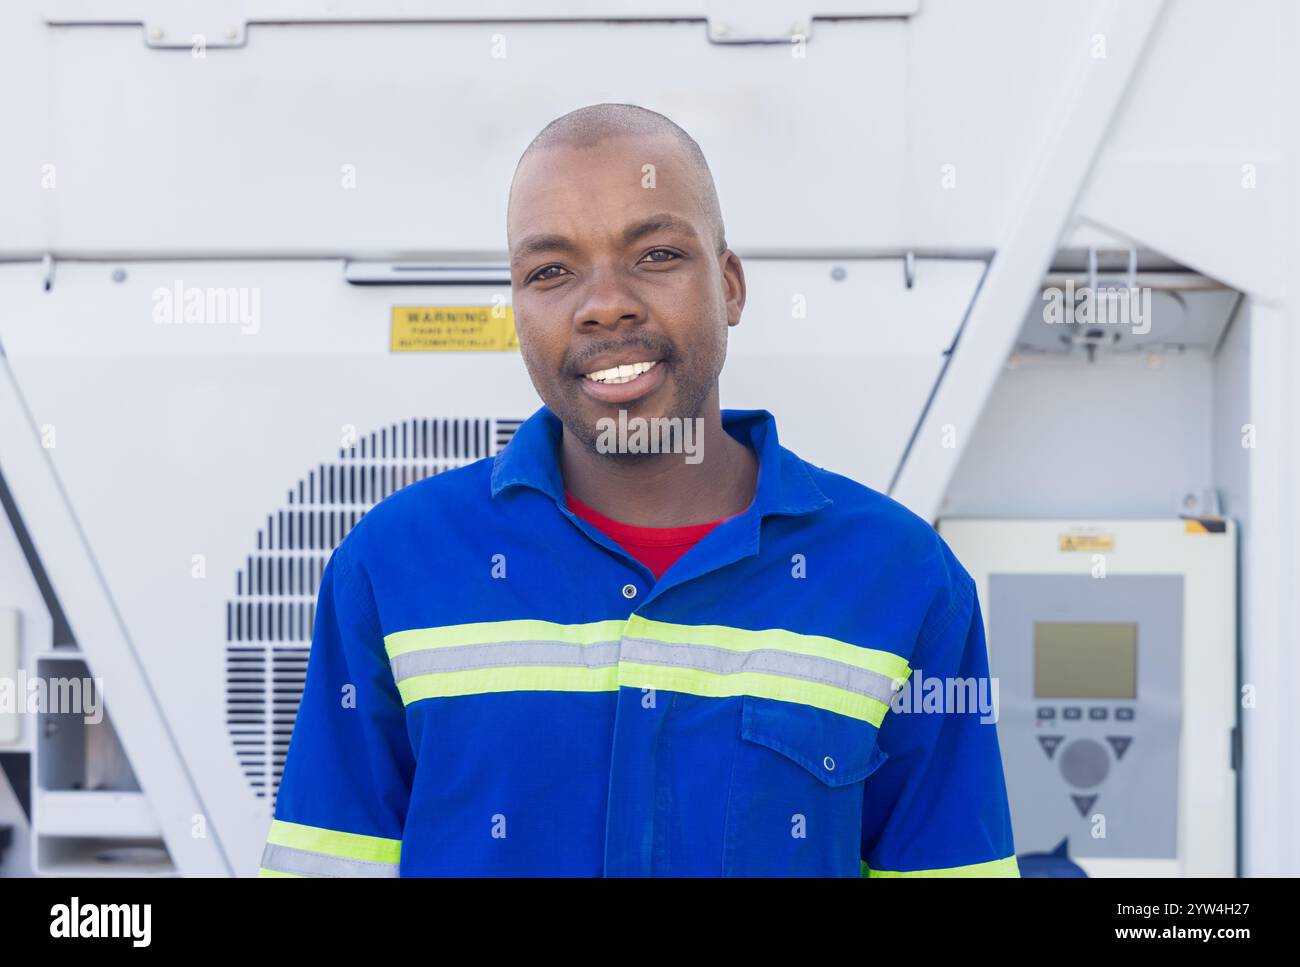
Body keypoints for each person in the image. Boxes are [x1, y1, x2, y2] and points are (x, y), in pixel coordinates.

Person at [258, 103, 1018, 877]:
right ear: (518, 311)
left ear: (729, 287)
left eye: (654, 253)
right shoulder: (390, 568)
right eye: (550, 271)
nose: (604, 302)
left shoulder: (905, 579)